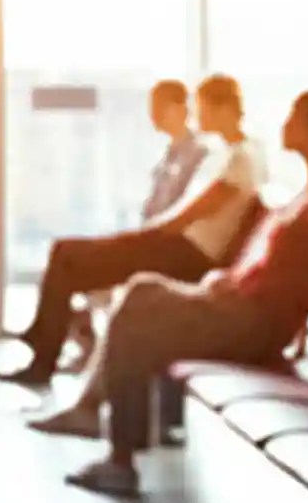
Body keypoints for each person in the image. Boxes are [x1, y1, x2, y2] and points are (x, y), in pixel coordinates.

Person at [64, 90, 308, 497]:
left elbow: (289, 283)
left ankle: (117, 451)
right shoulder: (306, 193)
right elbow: (271, 267)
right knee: (143, 291)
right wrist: (228, 278)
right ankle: (109, 435)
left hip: (253, 322)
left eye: (295, 117)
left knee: (139, 308)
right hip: (240, 307)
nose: (284, 123)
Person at [0, 74, 267, 386]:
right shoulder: (229, 154)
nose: (196, 115)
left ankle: (42, 352)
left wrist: (144, 235)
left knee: (67, 255)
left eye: (201, 107)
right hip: (178, 246)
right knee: (65, 255)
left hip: (186, 254)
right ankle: (42, 345)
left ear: (224, 109)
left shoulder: (241, 158)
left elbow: (190, 215)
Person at [59, 80, 209, 372]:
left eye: (159, 108)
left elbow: (179, 216)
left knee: (77, 267)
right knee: (73, 264)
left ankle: (88, 353)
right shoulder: (172, 152)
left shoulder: (197, 155)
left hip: (164, 248)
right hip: (149, 239)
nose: (153, 115)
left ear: (180, 109)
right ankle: (86, 348)